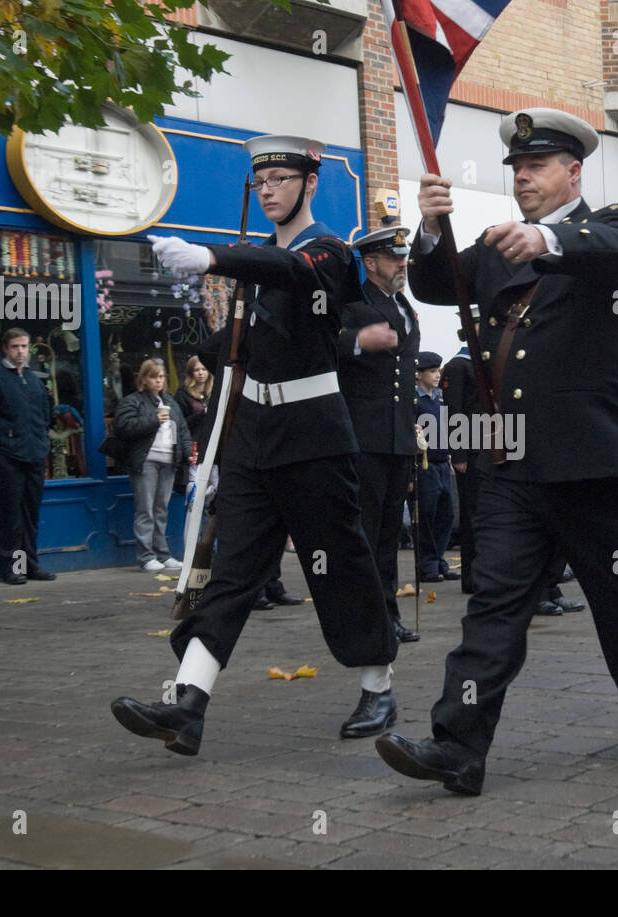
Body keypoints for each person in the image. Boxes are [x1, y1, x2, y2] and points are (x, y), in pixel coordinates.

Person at [375, 107, 618, 796]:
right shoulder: (494, 243)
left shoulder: (609, 226)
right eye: (515, 168)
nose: (522, 178)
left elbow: (616, 250)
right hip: (512, 464)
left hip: (590, 460)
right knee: (492, 607)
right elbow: (433, 283)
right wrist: (430, 227)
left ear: (573, 172)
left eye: (535, 166)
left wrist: (541, 237)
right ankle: (459, 744)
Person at [110, 134, 399, 753]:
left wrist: (211, 258)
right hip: (253, 440)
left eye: (281, 181)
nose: (268, 191)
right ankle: (187, 702)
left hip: (315, 437)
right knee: (231, 572)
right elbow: (235, 352)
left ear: (310, 184)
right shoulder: (255, 264)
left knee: (338, 564)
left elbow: (295, 272)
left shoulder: (329, 253)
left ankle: (379, 684)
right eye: (260, 183)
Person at [339, 226, 422, 642]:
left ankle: (387, 614)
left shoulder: (404, 305)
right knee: (365, 534)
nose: (402, 263)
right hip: (365, 438)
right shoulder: (353, 304)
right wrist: (357, 340)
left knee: (389, 534)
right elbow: (320, 345)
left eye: (404, 255)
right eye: (394, 257)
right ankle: (364, 618)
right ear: (370, 263)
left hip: (398, 440)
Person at [0, 327, 57, 585]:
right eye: (15, 347)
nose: (20, 352)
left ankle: (31, 565)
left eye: (24, 347)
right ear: (5, 349)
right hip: (9, 458)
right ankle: (14, 567)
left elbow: (44, 417)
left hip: (33, 456)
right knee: (12, 516)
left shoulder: (34, 380)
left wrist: (43, 446)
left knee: (31, 515)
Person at [113, 359, 195, 572]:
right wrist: (154, 420)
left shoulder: (170, 401)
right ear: (143, 379)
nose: (158, 381)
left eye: (161, 377)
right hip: (146, 461)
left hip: (168, 461)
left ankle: (163, 554)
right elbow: (123, 427)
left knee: (161, 509)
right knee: (146, 510)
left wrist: (189, 454)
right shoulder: (133, 401)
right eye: (153, 376)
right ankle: (146, 556)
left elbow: (183, 431)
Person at [440, 342, 479, 594]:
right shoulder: (458, 365)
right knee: (472, 515)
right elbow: (454, 411)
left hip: (489, 448)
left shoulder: (480, 360)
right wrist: (459, 454)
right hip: (471, 451)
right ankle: (473, 578)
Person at [414, 351, 456, 582]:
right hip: (424, 463)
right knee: (426, 515)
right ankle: (427, 564)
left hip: (441, 461)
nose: (437, 375)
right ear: (418, 375)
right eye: (432, 371)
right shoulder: (415, 400)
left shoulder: (439, 398)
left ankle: (439, 559)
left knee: (445, 514)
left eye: (438, 370)